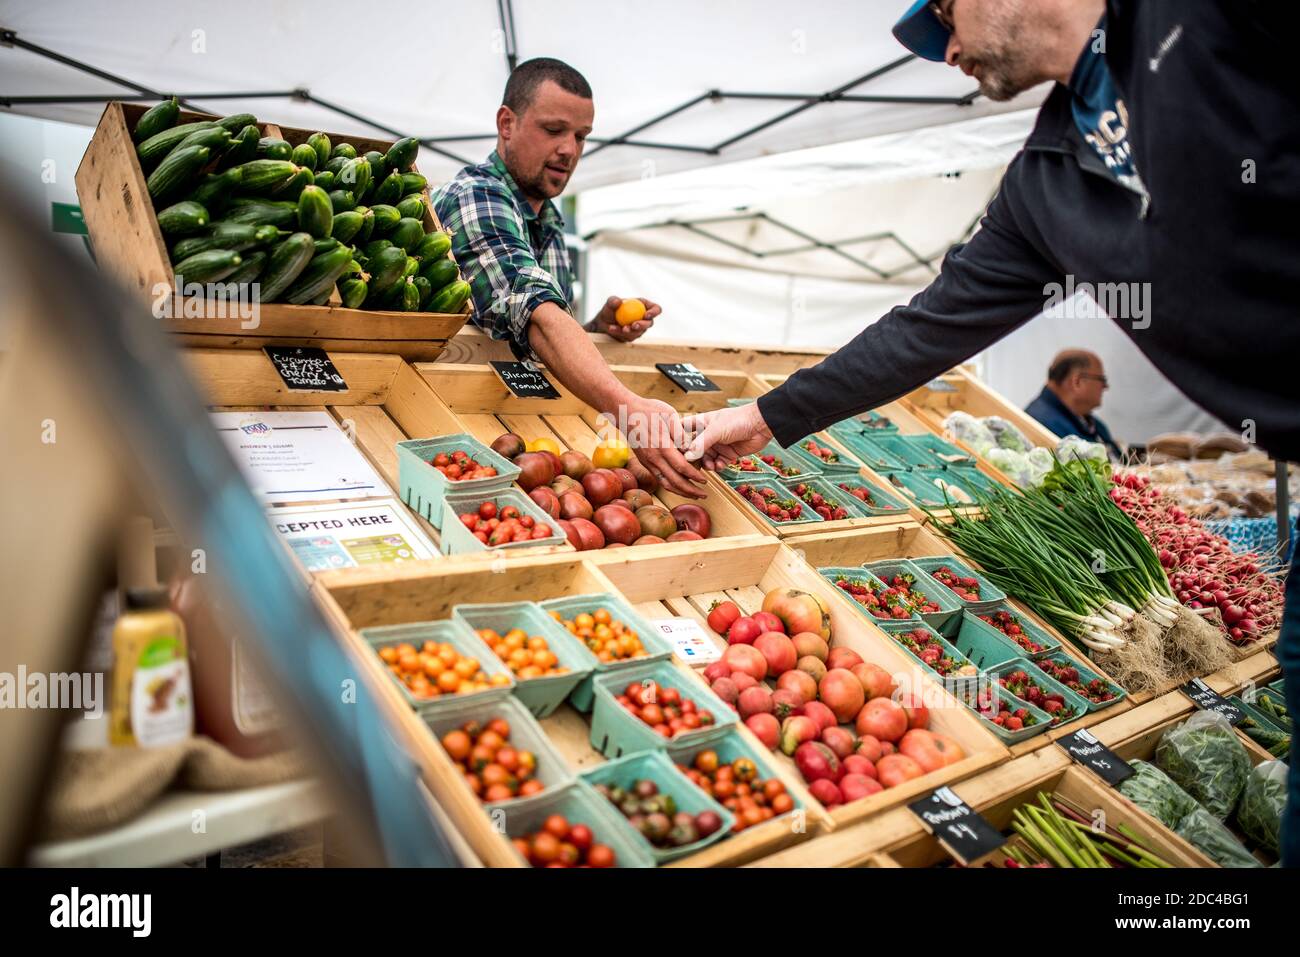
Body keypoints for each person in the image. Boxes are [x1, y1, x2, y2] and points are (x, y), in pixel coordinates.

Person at [683, 0, 1300, 864]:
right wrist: (760, 415)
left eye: (944, 13)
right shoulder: (1045, 183)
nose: (948, 51)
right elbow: (926, 327)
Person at [434, 57, 706, 497]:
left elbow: (529, 334)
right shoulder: (474, 197)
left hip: (519, 438)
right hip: (451, 434)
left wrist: (594, 330)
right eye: (554, 130)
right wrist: (629, 410)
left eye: (581, 136)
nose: (570, 150)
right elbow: (535, 311)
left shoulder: (551, 221)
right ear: (507, 123)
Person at [1024, 349, 1122, 459]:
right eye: (1102, 379)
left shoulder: (1091, 422)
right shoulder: (1040, 425)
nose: (1106, 387)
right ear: (1077, 382)